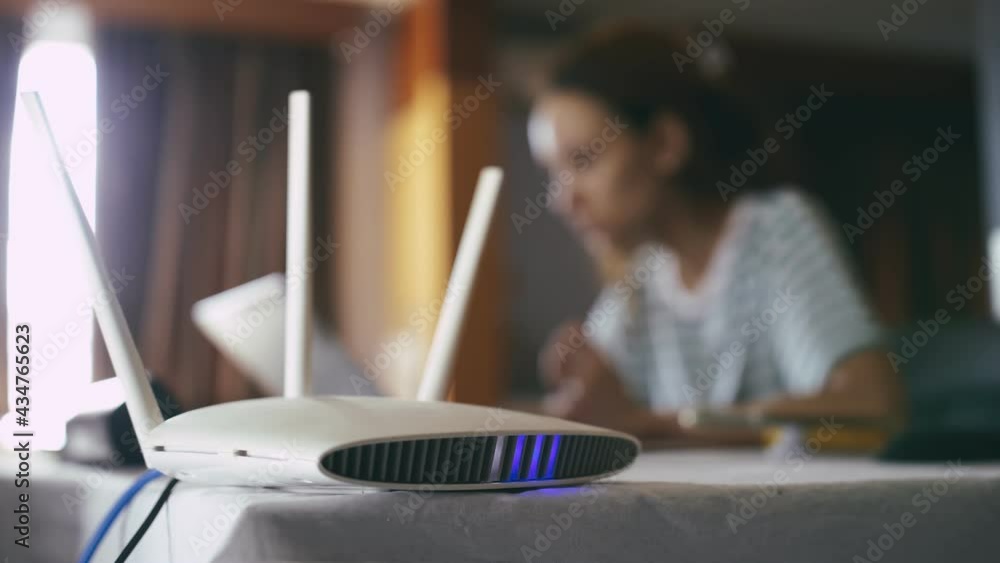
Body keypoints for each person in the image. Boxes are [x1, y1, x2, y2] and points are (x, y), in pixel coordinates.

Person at [528, 25, 904, 444]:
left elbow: (872, 406)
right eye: (553, 173)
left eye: (583, 161)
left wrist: (651, 424)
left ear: (665, 144)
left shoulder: (774, 231)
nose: (562, 200)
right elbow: (608, 413)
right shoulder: (641, 279)